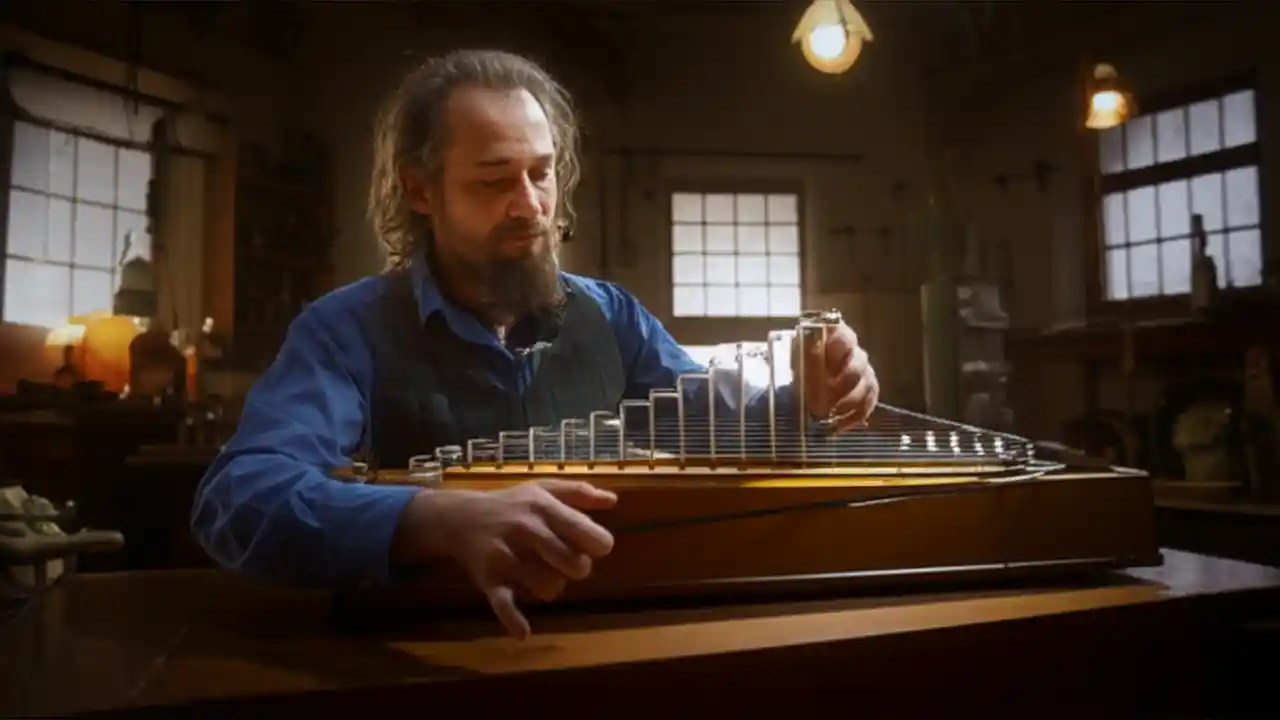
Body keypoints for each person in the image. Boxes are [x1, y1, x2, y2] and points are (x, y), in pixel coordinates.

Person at [190, 48, 879, 640]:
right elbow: (240, 500)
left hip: (613, 637)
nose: (530, 206)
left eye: (541, 172)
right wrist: (432, 520)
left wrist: (808, 402)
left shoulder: (612, 316)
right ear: (421, 190)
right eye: (494, 181)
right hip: (422, 656)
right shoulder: (346, 332)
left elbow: (706, 429)